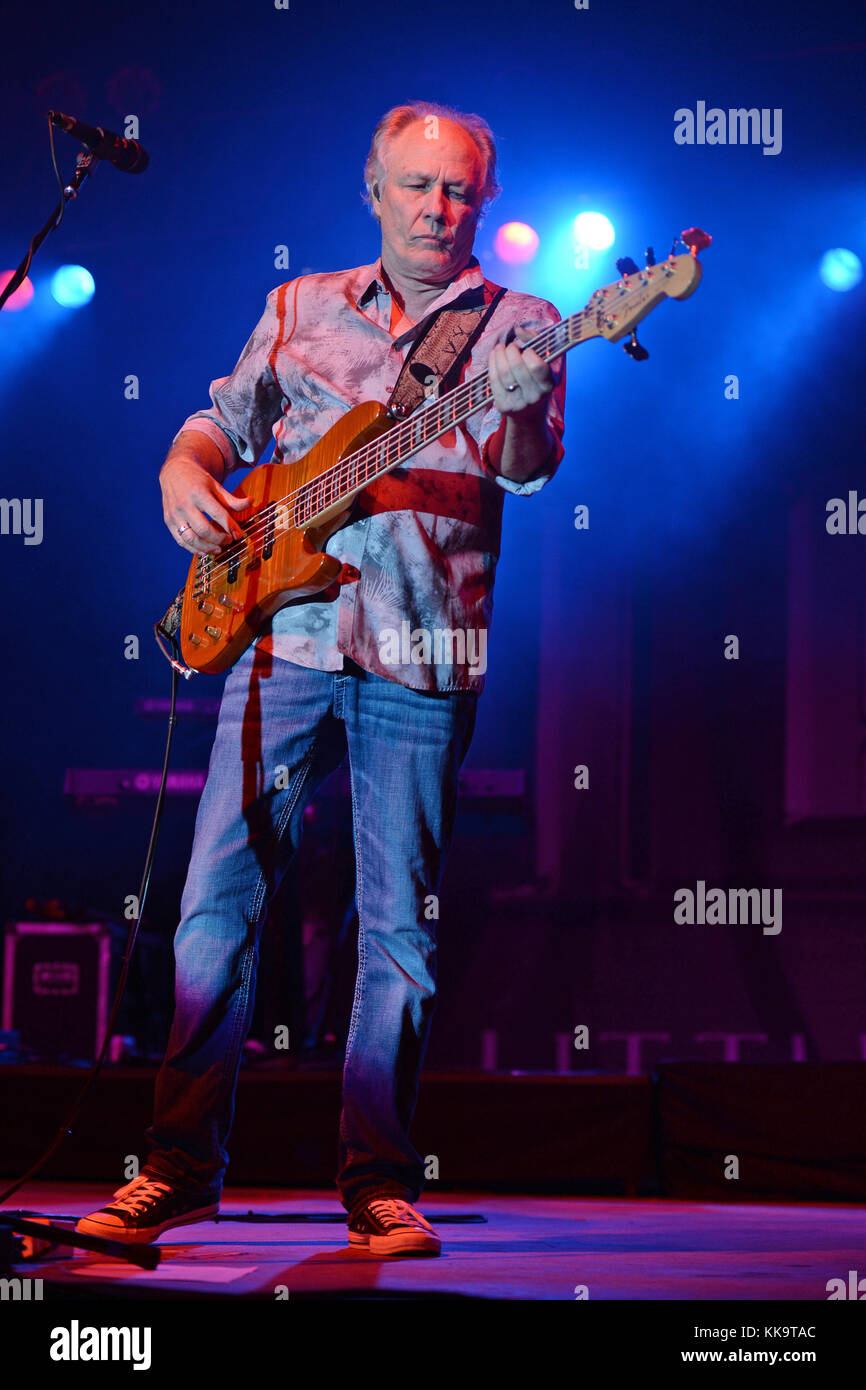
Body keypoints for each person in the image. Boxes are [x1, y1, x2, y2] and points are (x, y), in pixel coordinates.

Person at [77, 100, 566, 1257]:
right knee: (212, 913)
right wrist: (179, 468)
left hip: (422, 649)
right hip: (279, 644)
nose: (437, 209)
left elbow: (533, 470)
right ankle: (178, 1169)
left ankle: (380, 1180)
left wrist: (512, 421)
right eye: (416, 186)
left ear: (481, 203)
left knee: (396, 930)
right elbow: (217, 421)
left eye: (457, 191)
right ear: (373, 188)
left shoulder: (525, 322)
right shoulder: (300, 307)